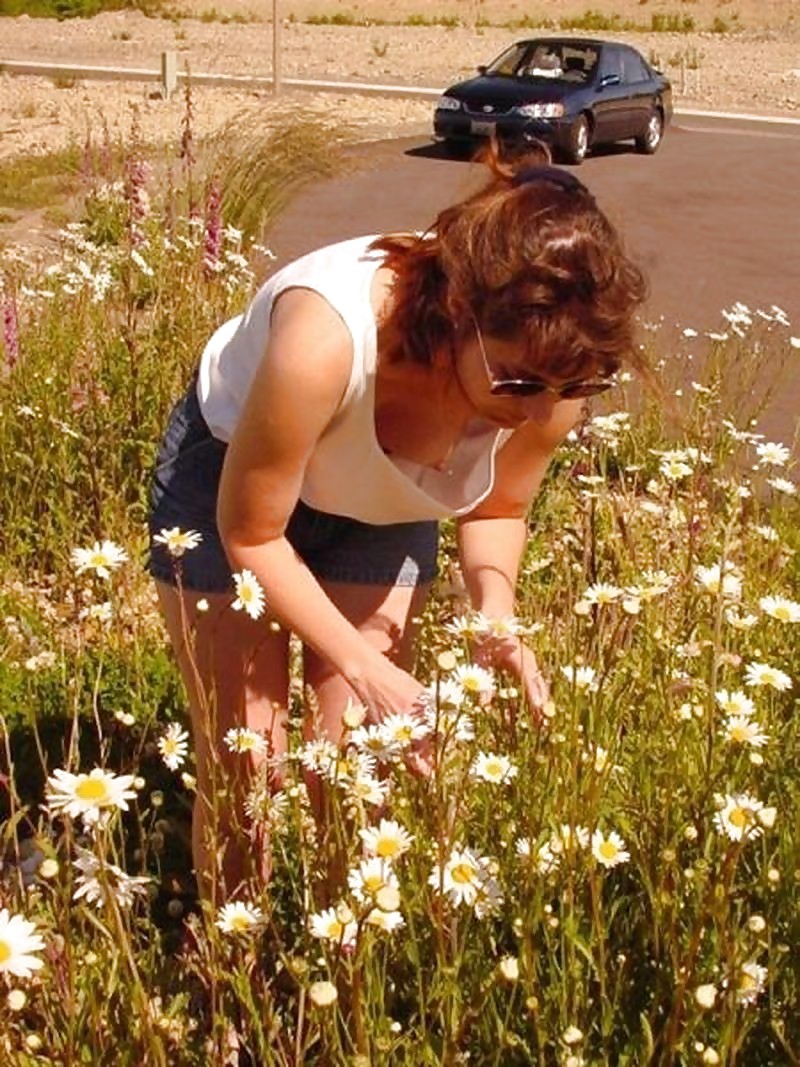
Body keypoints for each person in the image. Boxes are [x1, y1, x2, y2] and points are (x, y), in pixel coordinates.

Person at [147, 141, 647, 899]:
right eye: (519, 384)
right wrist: (362, 661)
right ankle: (229, 977)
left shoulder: (551, 371)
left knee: (358, 760)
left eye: (570, 387)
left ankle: (344, 970)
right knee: (248, 755)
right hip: (228, 482)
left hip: (382, 500)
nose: (543, 411)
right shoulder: (326, 338)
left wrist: (495, 613)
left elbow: (501, 505)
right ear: (456, 319)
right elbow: (251, 534)